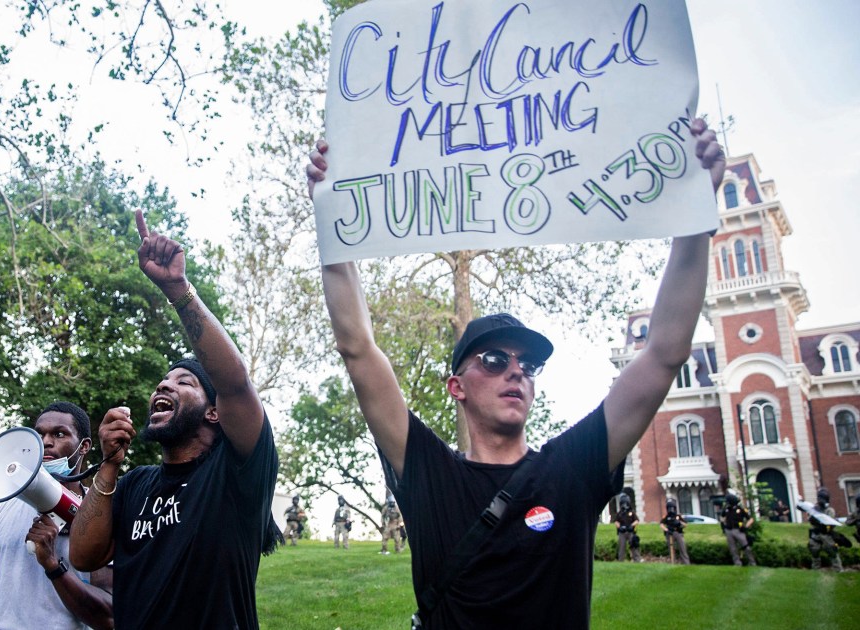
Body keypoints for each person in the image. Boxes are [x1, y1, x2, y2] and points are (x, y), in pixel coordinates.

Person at [306, 119, 724, 627]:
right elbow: (358, 348)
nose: (516, 373)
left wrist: (696, 218)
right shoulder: (429, 474)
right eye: (494, 360)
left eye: (528, 365)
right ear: (456, 386)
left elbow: (663, 353)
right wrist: (333, 215)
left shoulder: (572, 470)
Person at [69, 210, 281, 630]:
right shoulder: (133, 485)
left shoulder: (238, 473)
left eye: (184, 381)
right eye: (162, 381)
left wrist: (177, 289)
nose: (162, 387)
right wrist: (110, 465)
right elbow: (83, 556)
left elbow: (235, 382)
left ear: (214, 410)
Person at [0, 402, 113, 630]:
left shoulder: (99, 517)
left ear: (84, 446)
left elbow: (108, 617)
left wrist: (53, 565)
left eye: (59, 433)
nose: (45, 442)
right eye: (39, 434)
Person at [807, 487, 843, 571]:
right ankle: (815, 568)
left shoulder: (829, 510)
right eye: (819, 498)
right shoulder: (814, 509)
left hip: (826, 534)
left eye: (822, 498)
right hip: (816, 533)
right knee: (814, 549)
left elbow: (829, 522)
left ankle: (838, 569)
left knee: (832, 550)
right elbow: (810, 519)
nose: (820, 500)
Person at [718, 492, 757, 567]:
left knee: (746, 546)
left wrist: (745, 527)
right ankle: (737, 563)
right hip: (729, 530)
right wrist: (723, 526)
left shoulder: (740, 509)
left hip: (738, 530)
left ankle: (752, 562)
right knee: (733, 548)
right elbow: (722, 518)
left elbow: (750, 519)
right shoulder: (727, 510)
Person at [659, 499, 690, 565]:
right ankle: (673, 563)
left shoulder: (678, 516)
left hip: (678, 533)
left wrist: (679, 523)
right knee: (671, 549)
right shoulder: (666, 517)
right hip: (670, 534)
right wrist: (666, 530)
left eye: (672, 508)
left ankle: (686, 563)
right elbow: (661, 524)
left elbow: (685, 524)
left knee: (682, 548)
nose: (671, 509)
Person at [614, 493, 641, 562]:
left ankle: (637, 560)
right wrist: (619, 527)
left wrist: (631, 526)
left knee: (634, 545)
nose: (624, 505)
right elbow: (616, 522)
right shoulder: (619, 513)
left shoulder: (631, 512)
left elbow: (637, 520)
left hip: (630, 532)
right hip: (622, 533)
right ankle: (621, 560)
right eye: (623, 503)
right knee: (622, 547)